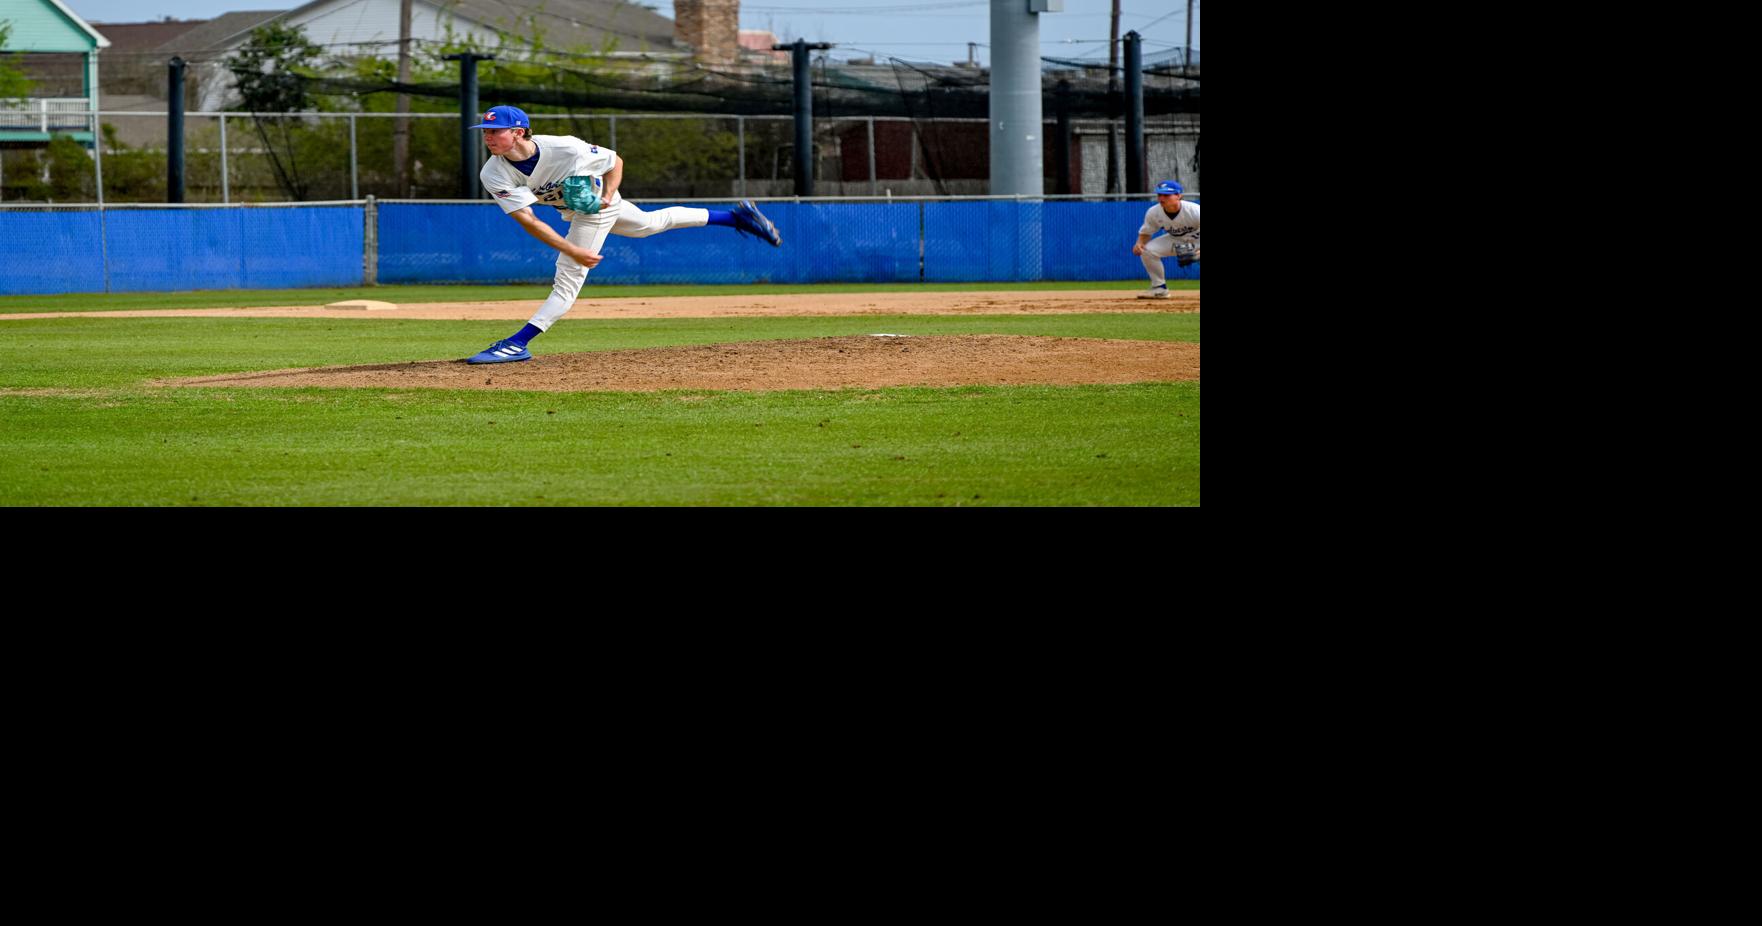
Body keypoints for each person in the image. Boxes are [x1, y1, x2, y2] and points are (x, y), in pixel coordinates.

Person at [463, 105, 783, 364]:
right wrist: (572, 245)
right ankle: (736, 217)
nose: (488, 137)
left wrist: (607, 197)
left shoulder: (566, 148)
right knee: (648, 225)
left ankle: (518, 343)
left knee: (568, 278)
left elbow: (614, 160)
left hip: (596, 209)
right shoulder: (493, 172)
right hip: (577, 210)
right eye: (486, 132)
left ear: (517, 132)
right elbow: (529, 220)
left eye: (495, 131)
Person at [1132, 179, 1200, 299]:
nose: (1161, 198)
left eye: (1167, 195)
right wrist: (1139, 243)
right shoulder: (1154, 212)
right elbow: (1146, 232)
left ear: (1178, 196)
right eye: (1159, 195)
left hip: (1198, 241)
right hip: (1176, 240)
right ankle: (1159, 288)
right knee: (1147, 250)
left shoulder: (1194, 210)